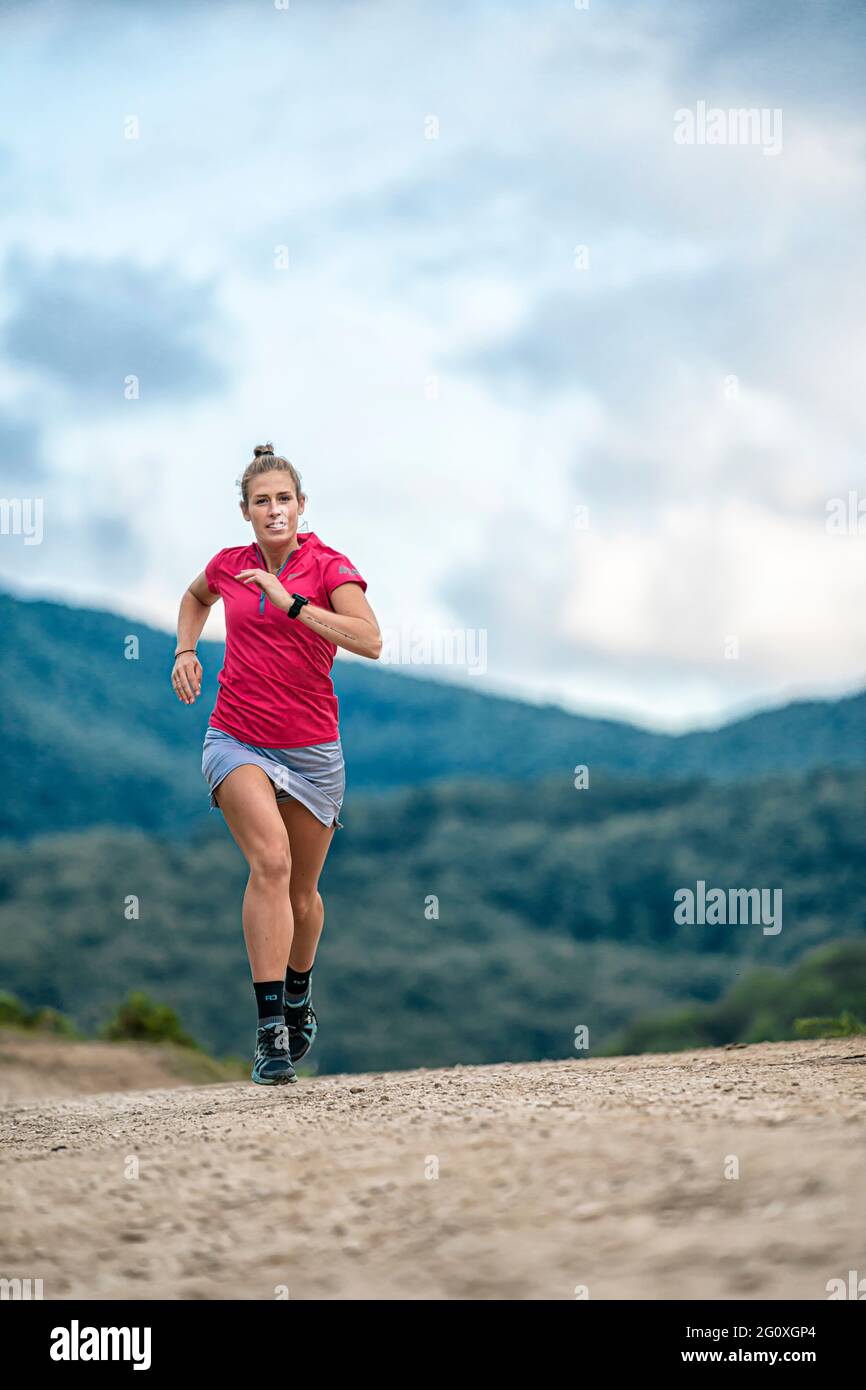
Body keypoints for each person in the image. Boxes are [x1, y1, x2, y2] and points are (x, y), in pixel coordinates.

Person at [171, 443, 381, 1085]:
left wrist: (291, 603)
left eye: (283, 499)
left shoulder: (329, 566)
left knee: (303, 893)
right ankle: (269, 1035)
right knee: (271, 862)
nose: (274, 510)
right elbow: (194, 596)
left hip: (313, 752)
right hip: (236, 738)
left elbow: (370, 640)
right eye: (261, 501)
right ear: (246, 511)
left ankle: (297, 993)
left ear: (300, 505)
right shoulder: (229, 565)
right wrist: (184, 650)